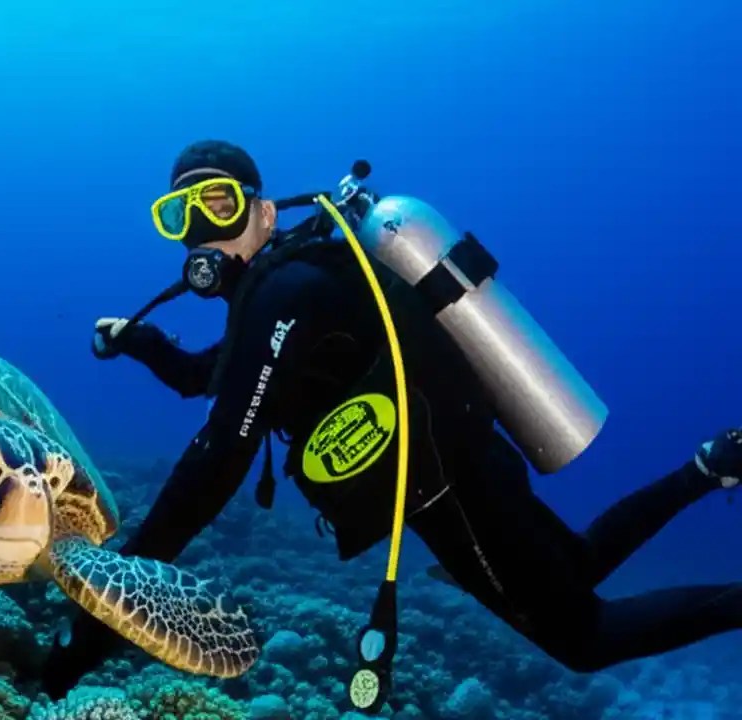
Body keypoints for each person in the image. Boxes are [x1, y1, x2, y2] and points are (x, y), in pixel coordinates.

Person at [39, 139, 742, 700]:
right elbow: (208, 378)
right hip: (468, 464)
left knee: (587, 639)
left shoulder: (285, 291)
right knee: (578, 565)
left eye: (216, 205)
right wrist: (139, 341)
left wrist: (96, 618)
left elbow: (220, 455)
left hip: (450, 491)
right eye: (179, 217)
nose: (199, 235)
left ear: (263, 214)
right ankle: (708, 467)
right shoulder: (284, 288)